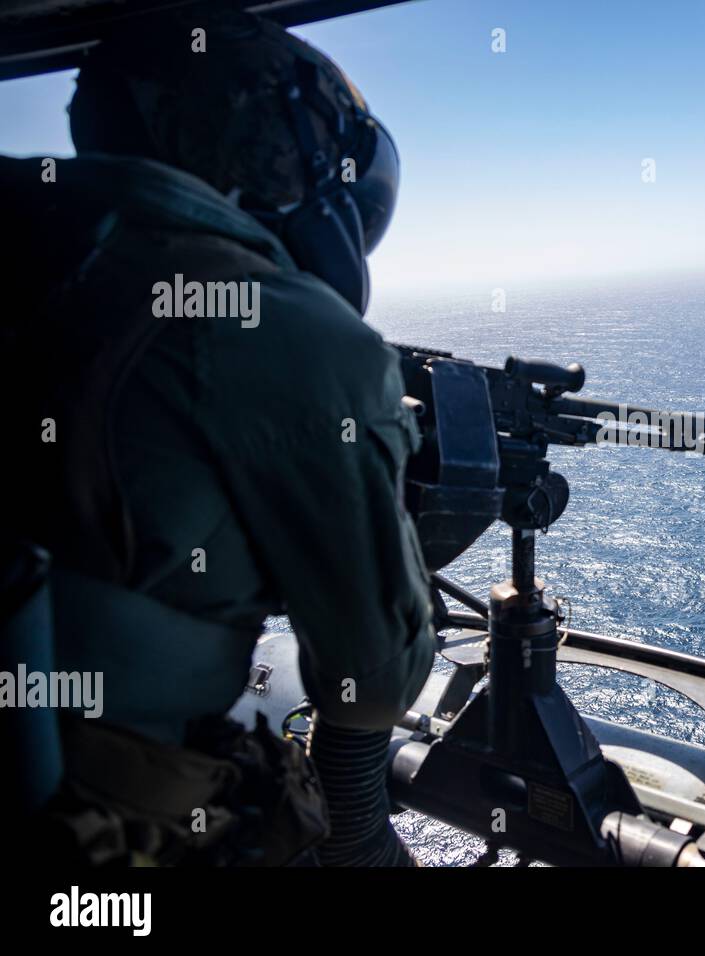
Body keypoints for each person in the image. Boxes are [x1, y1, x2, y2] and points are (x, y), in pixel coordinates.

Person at [0, 10, 436, 865]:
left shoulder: (35, 252)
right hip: (86, 820)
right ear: (279, 147)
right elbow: (368, 685)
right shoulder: (289, 328)